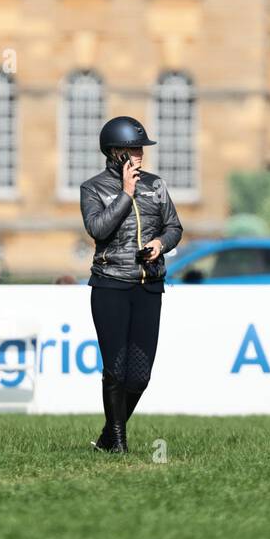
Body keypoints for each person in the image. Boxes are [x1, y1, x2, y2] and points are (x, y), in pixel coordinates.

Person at [80, 115, 183, 453]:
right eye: (134, 149)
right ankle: (119, 445)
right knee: (116, 369)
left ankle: (107, 439)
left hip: (149, 286)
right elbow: (98, 229)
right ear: (116, 152)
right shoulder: (93, 188)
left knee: (140, 376)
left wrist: (160, 244)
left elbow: (174, 227)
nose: (140, 154)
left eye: (141, 149)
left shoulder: (156, 185)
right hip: (110, 285)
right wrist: (126, 193)